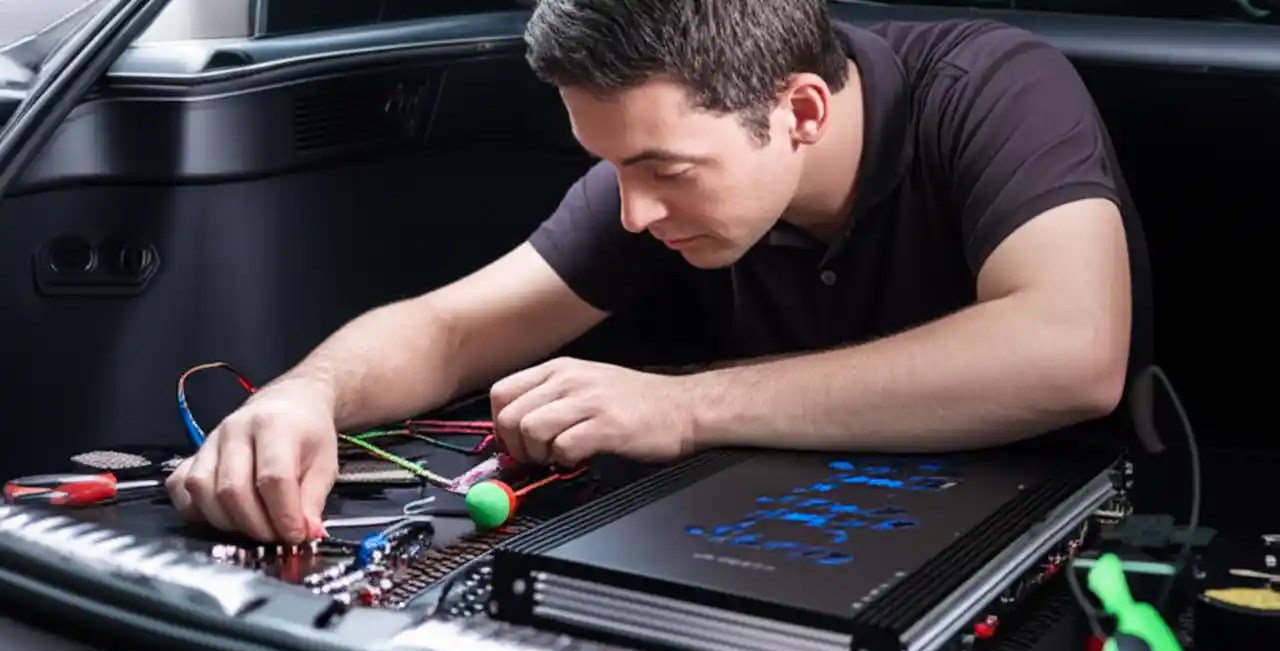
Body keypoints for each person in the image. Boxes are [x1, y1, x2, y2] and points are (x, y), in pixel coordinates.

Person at [166, 0, 1152, 545]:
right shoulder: (659, 174)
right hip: (781, 542)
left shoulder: (992, 93)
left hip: (1057, 536)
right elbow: (450, 329)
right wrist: (306, 396)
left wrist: (683, 409)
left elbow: (1069, 349)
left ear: (801, 113)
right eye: (610, 167)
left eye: (662, 170)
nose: (631, 211)